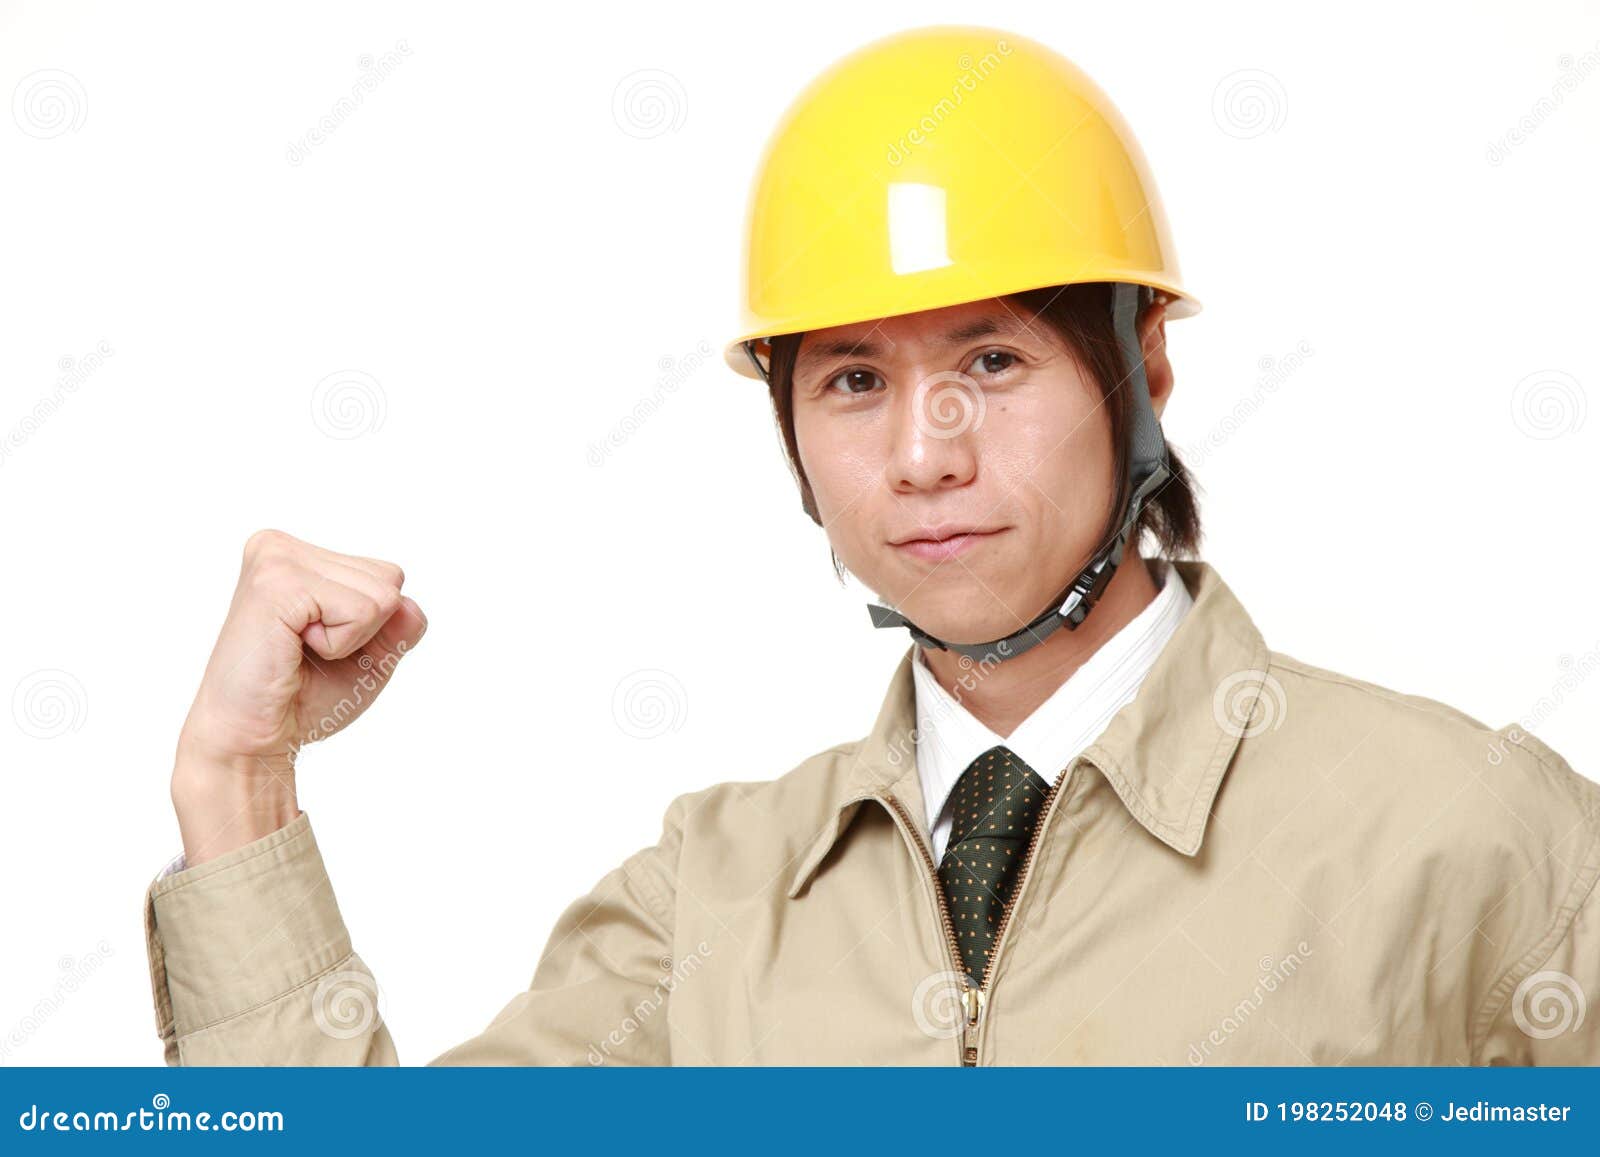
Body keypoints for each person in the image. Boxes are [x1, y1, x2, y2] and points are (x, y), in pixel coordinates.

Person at [143, 24, 1599, 1066]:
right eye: (853, 380)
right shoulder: (708, 901)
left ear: (1144, 368)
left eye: (995, 361)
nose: (924, 454)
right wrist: (239, 786)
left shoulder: (1473, 837)